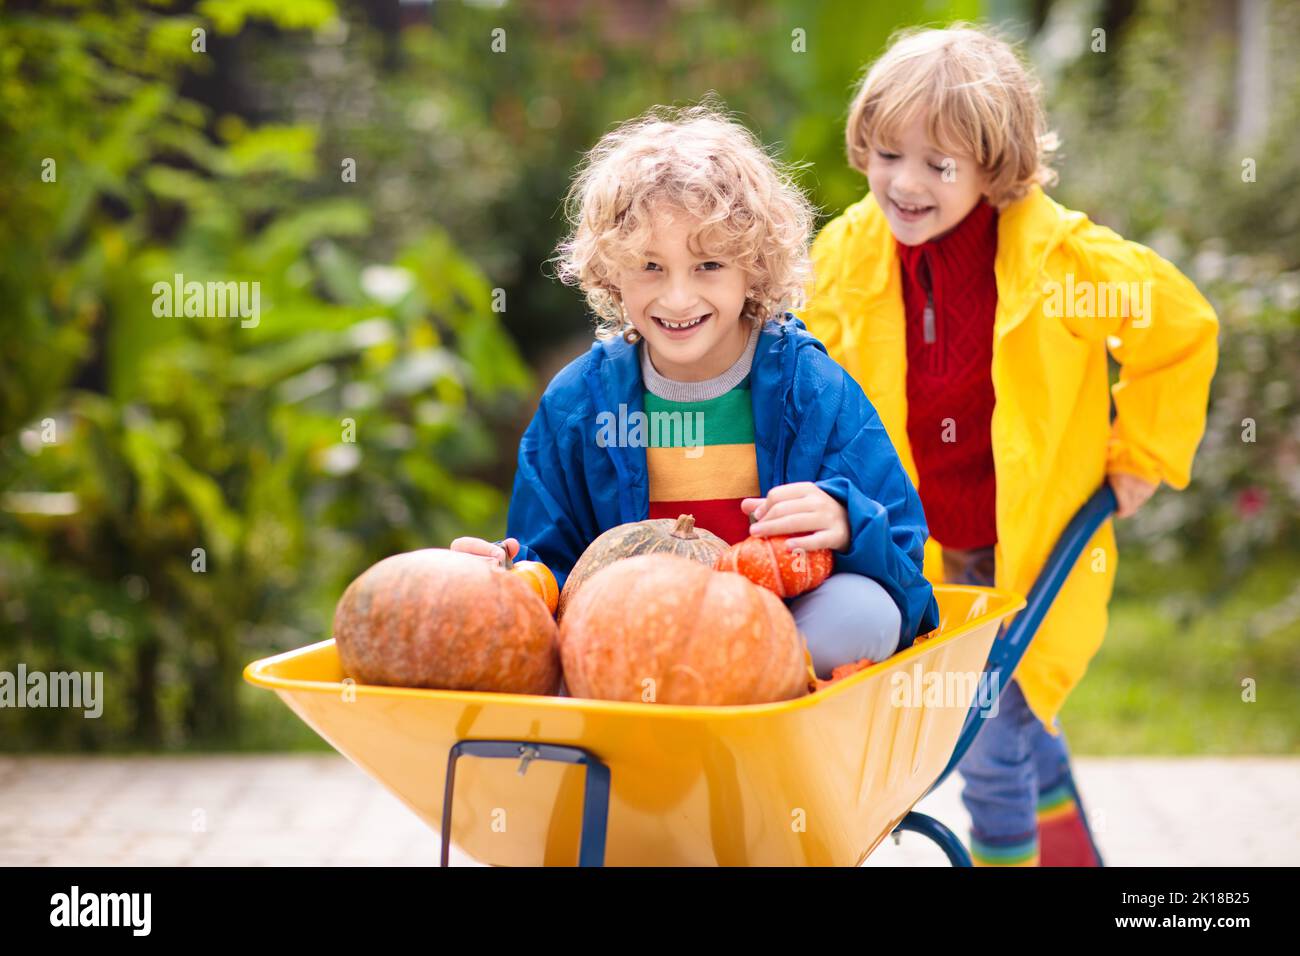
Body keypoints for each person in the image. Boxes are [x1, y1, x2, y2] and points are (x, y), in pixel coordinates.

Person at [800, 25, 1218, 865]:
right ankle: (1071, 850)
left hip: (1026, 540)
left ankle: (1012, 845)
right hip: (912, 539)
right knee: (1010, 715)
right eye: (886, 154)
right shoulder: (847, 255)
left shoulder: (1063, 263)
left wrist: (1138, 454)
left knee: (983, 738)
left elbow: (1179, 330)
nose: (904, 183)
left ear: (992, 170)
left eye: (938, 165)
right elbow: (807, 372)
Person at [451, 102, 940, 680]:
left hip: (768, 633)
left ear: (752, 269)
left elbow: (905, 558)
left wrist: (848, 521)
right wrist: (510, 574)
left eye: (708, 264)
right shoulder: (580, 403)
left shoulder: (811, 391)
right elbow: (550, 563)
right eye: (650, 267)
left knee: (864, 613)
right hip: (626, 642)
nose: (678, 299)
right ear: (612, 272)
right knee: (533, 651)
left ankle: (750, 699)